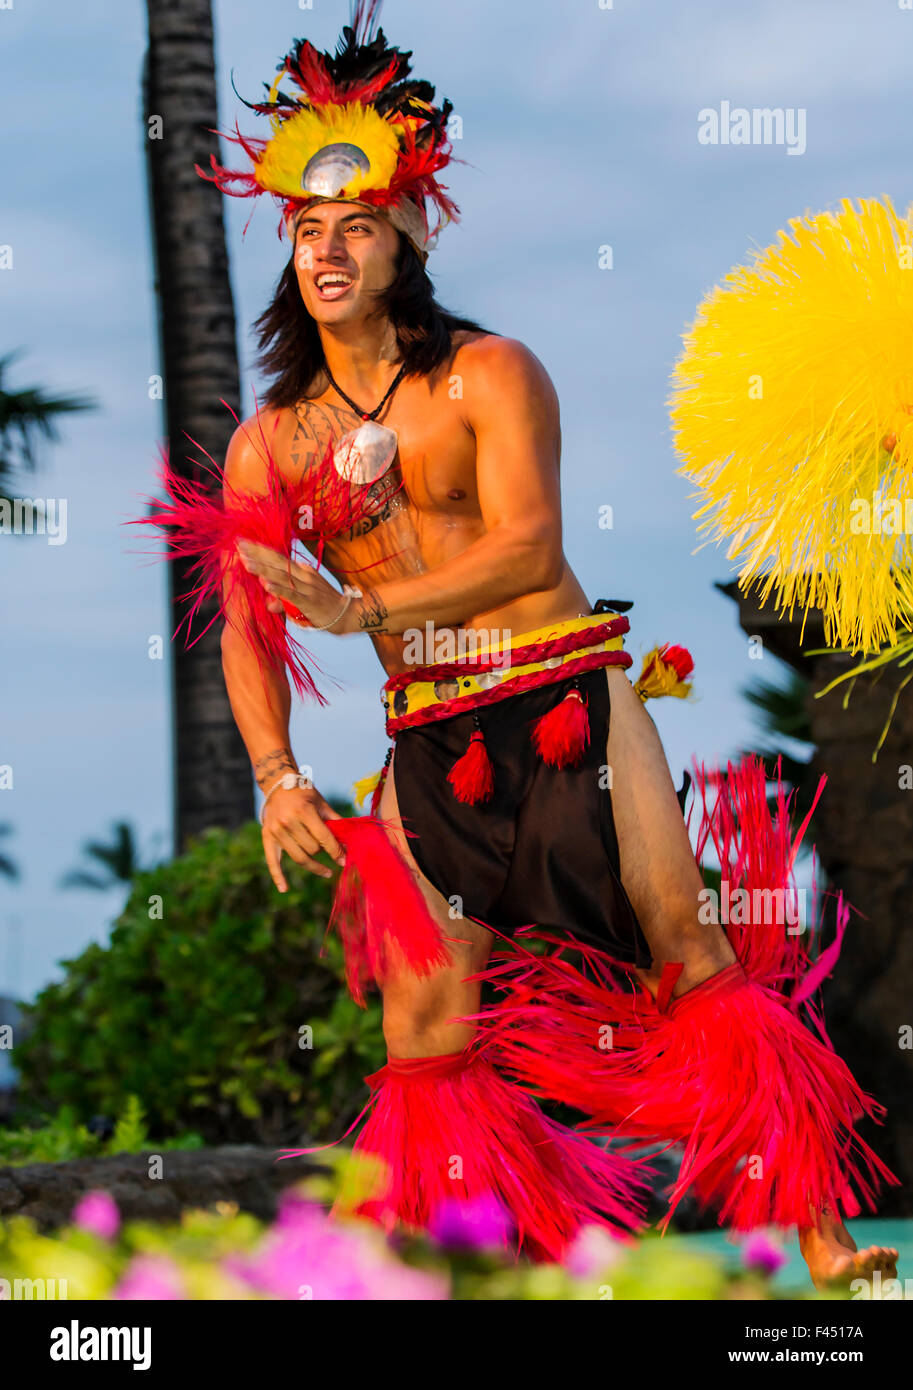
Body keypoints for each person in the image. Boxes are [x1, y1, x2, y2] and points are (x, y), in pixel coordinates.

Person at [147, 4, 898, 1282]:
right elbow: (248, 617)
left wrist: (367, 611)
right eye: (309, 232)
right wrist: (276, 769)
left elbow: (532, 549)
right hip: (429, 746)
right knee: (423, 1029)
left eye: (356, 226)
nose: (329, 251)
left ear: (407, 236)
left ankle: (821, 1240)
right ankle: (482, 1259)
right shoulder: (269, 445)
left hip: (569, 709)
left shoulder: (489, 374)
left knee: (688, 950)